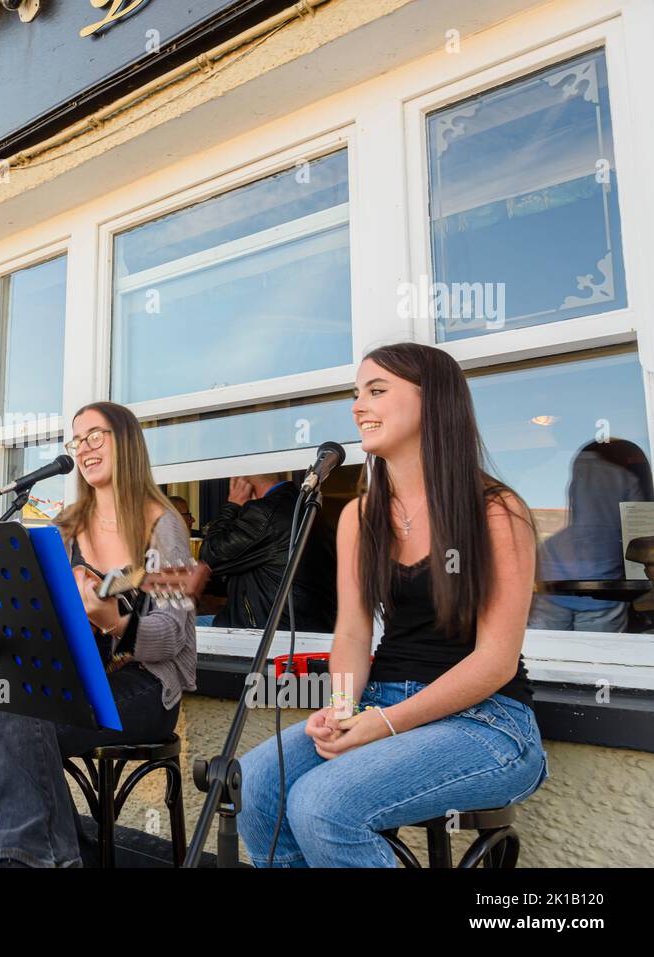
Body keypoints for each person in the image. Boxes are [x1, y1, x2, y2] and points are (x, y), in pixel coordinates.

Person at [236, 342, 548, 867]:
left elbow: (495, 660)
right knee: (256, 787)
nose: (358, 406)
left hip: (487, 723)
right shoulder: (361, 516)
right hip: (381, 702)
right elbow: (355, 634)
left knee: (323, 805)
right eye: (357, 394)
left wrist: (385, 723)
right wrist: (340, 710)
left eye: (376, 391)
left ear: (434, 403)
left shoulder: (496, 511)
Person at [0, 401, 196, 867]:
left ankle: (30, 859)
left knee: (24, 719)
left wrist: (116, 621)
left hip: (147, 686)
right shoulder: (66, 528)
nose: (83, 448)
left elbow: (174, 634)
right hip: (83, 674)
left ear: (126, 442)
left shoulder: (164, 527)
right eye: (77, 440)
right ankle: (49, 858)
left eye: (95, 436)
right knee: (5, 700)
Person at [529, 439, 653, 633]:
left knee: (545, 654)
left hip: (550, 584)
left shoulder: (544, 471)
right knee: (598, 657)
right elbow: (637, 530)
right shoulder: (624, 478)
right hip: (602, 590)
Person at [199, 473, 337, 633]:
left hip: (267, 631)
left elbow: (209, 556)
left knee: (181, 630)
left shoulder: (263, 512)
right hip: (307, 627)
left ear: (244, 486)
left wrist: (233, 506)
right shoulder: (304, 507)